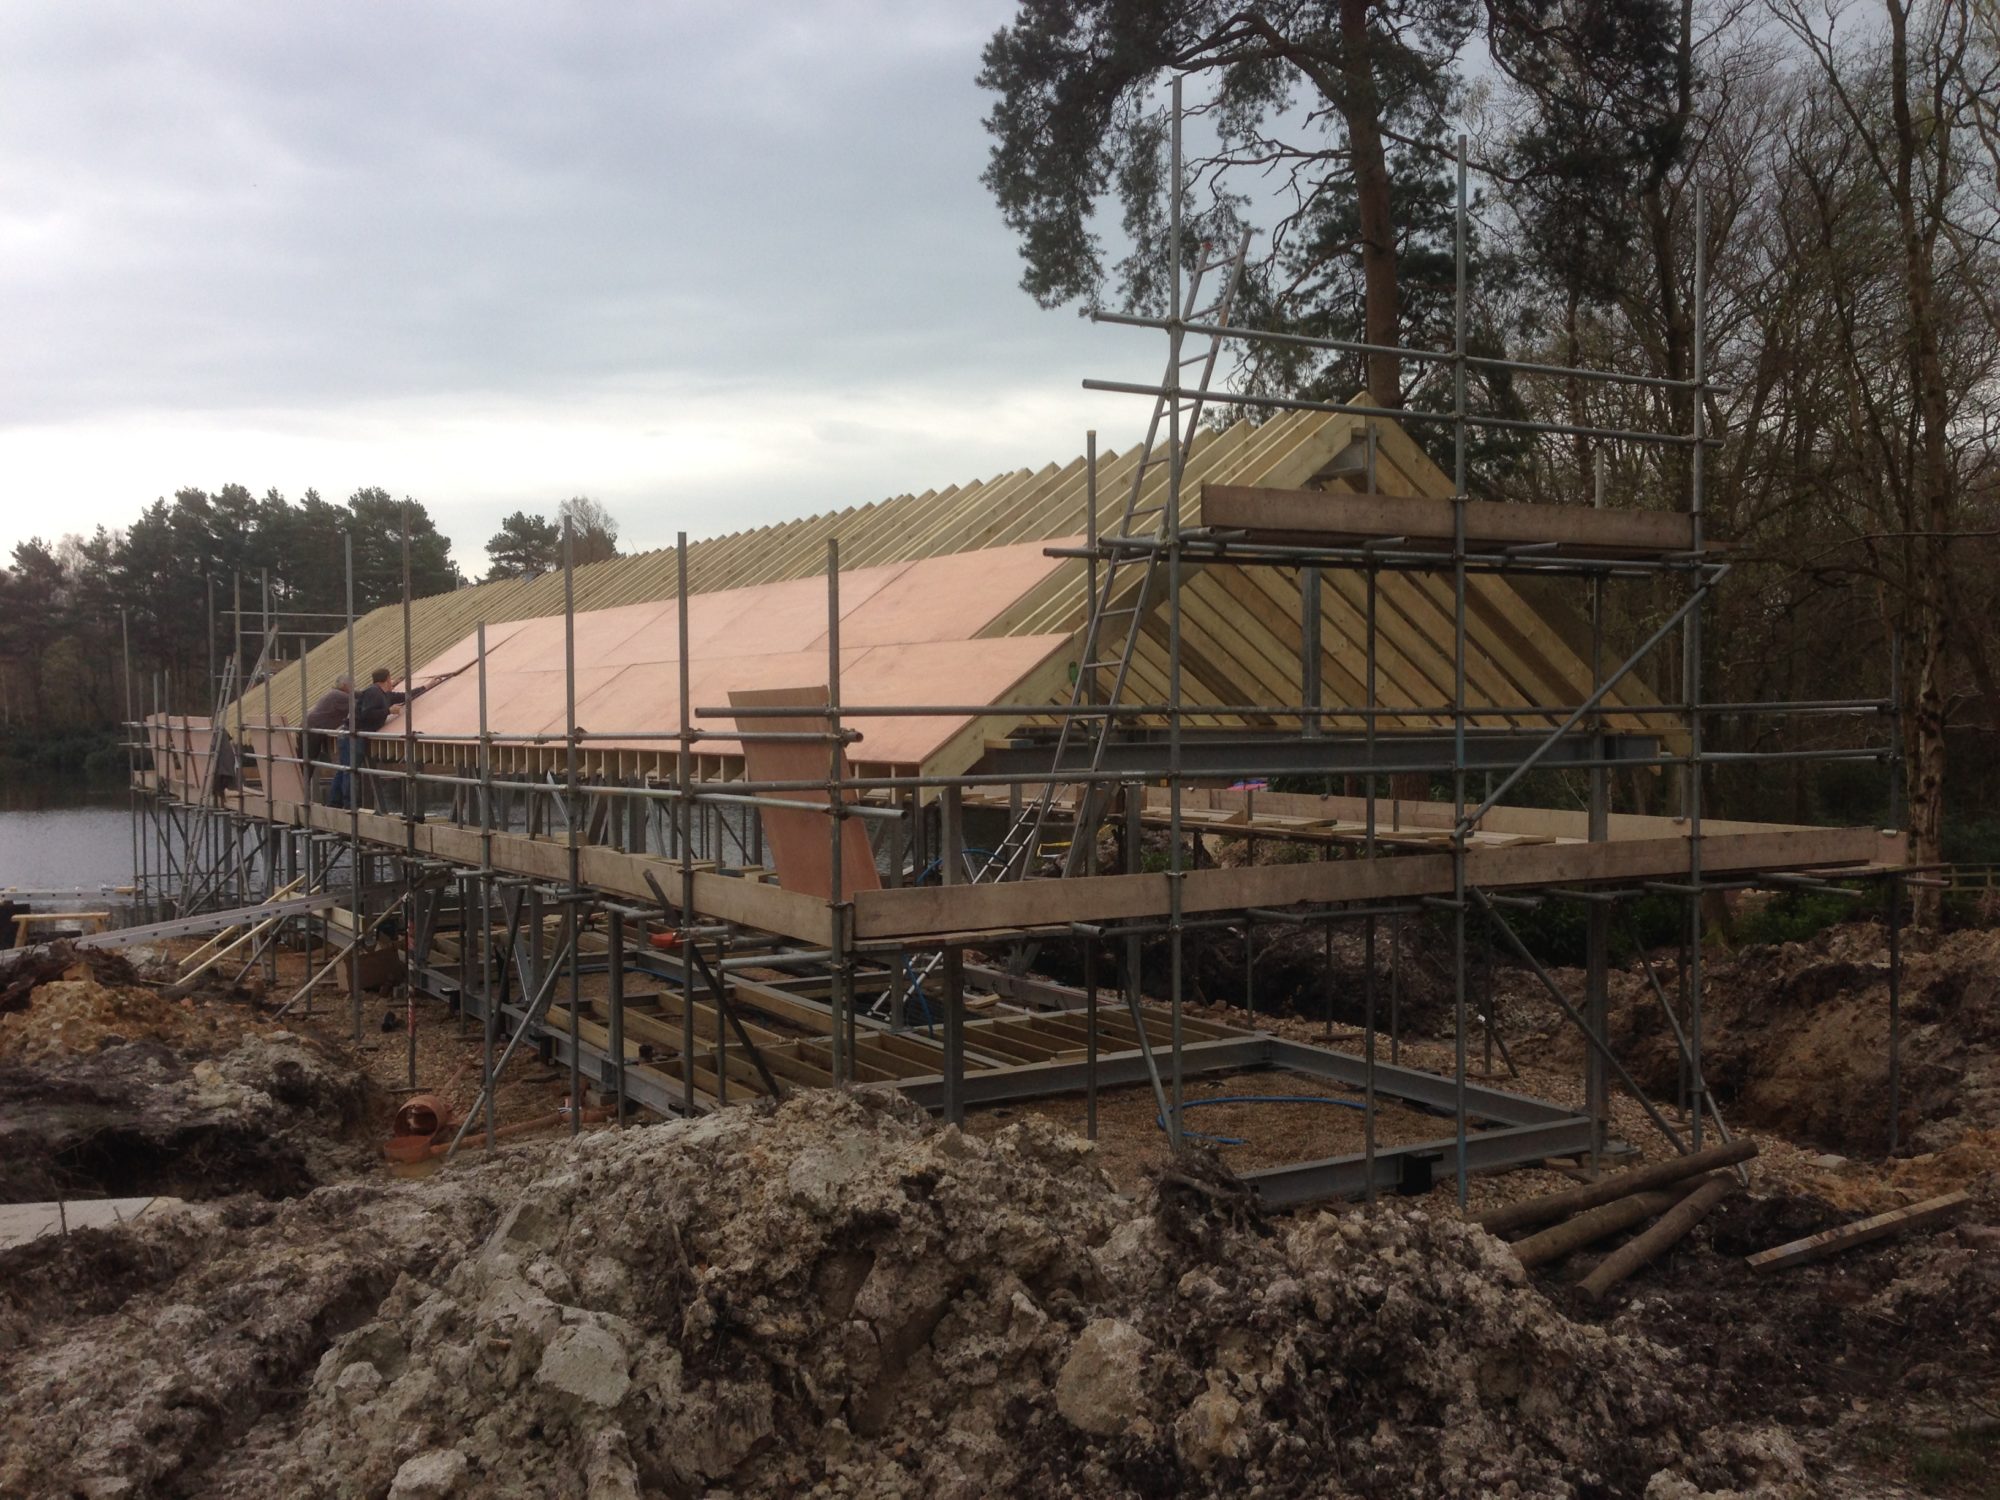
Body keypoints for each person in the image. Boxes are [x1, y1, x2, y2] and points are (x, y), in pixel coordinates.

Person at [351, 667, 434, 810]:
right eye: (390, 679)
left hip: (361, 735)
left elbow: (404, 696)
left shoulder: (384, 694)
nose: (392, 682)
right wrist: (388, 711)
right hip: (355, 736)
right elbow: (366, 714)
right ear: (387, 679)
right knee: (349, 771)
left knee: (351, 770)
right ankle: (345, 805)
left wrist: (427, 686)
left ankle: (346, 805)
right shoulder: (373, 692)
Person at [304, 674, 356, 805]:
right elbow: (358, 704)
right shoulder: (340, 696)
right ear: (345, 685)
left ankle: (301, 795)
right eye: (352, 685)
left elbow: (358, 694)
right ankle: (300, 795)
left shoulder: (335, 693)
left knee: (307, 762)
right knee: (307, 763)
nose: (353, 688)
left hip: (312, 727)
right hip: (314, 729)